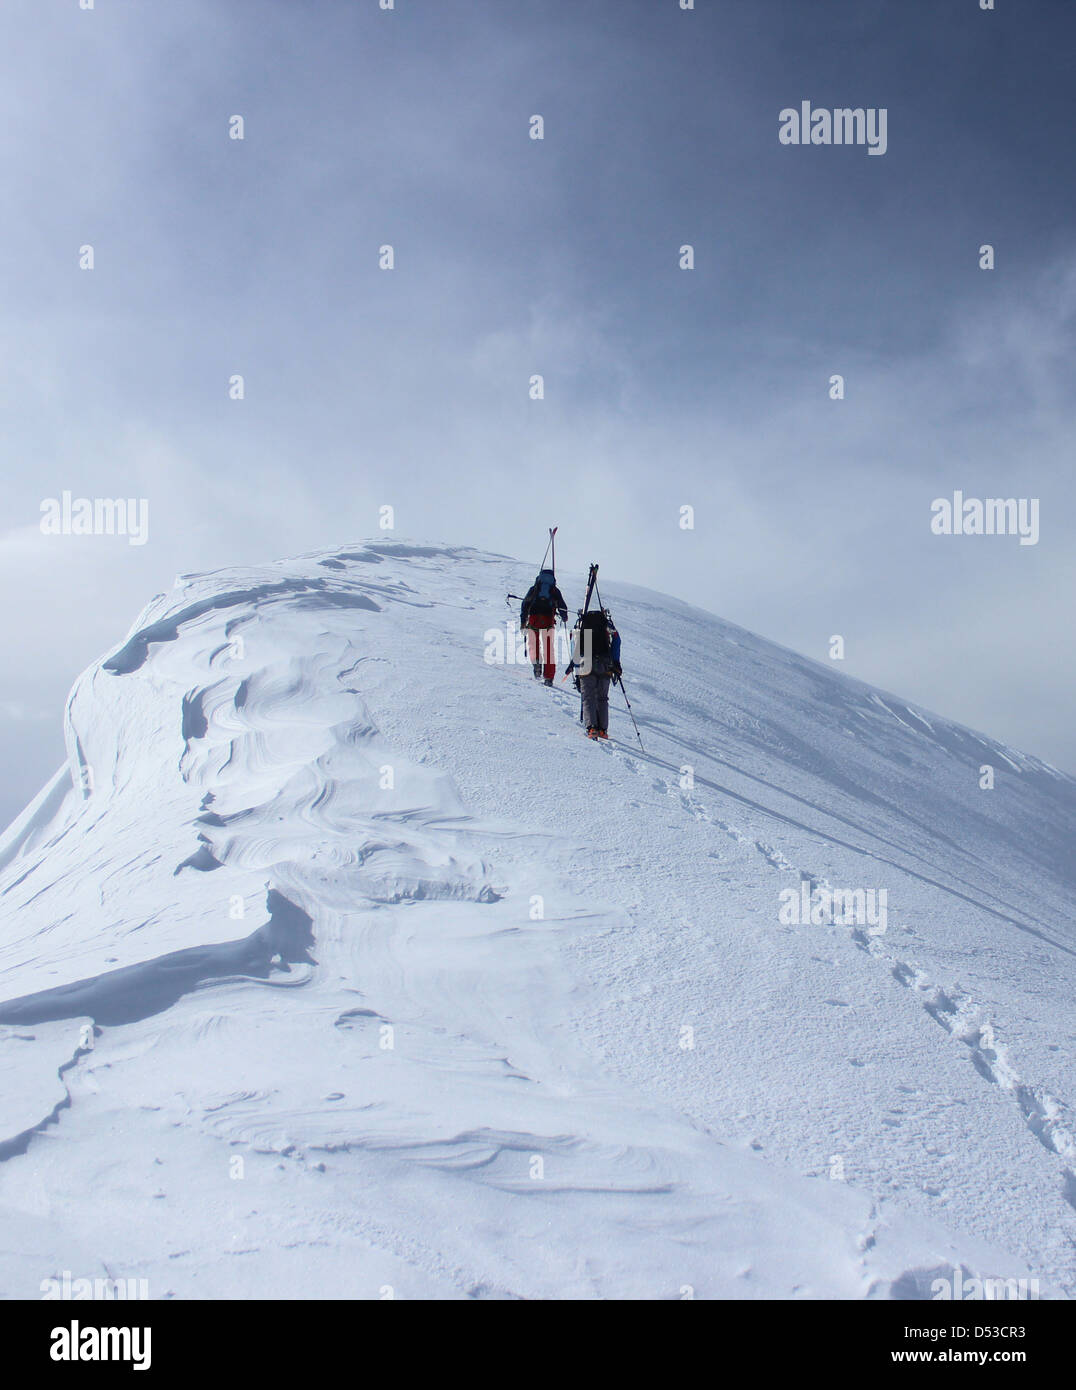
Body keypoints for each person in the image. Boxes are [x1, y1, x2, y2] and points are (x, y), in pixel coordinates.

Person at [567, 608, 621, 739]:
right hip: (605, 663)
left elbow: (576, 644)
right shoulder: (606, 625)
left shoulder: (581, 625)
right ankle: (603, 730)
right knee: (602, 698)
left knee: (588, 697)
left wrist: (573, 664)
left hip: (586, 662)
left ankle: (592, 728)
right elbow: (617, 640)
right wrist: (615, 662)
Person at [520, 568, 568, 685]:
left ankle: (536, 664)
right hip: (548, 621)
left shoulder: (534, 589)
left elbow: (525, 604)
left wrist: (523, 621)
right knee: (549, 649)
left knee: (533, 643)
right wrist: (564, 616)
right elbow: (562, 606)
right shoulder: (555, 591)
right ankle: (549, 678)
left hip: (534, 619)